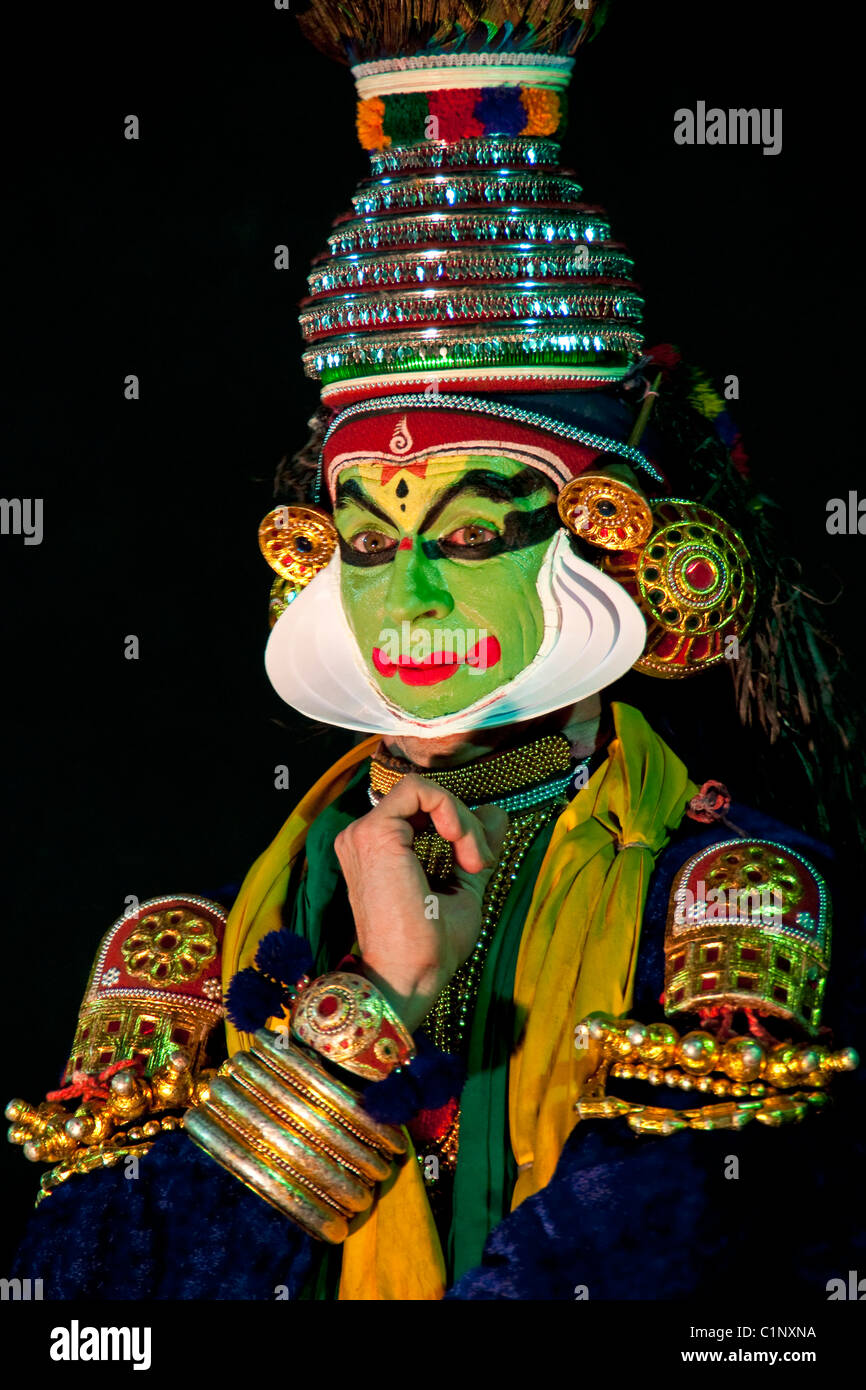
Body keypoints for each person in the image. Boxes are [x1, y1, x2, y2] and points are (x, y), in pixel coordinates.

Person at [7, 0, 863, 1302]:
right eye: (364, 536)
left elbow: (692, 1283)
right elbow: (84, 1322)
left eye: (468, 535)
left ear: (611, 535)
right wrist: (365, 1023)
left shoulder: (731, 900)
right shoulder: (187, 955)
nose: (404, 590)